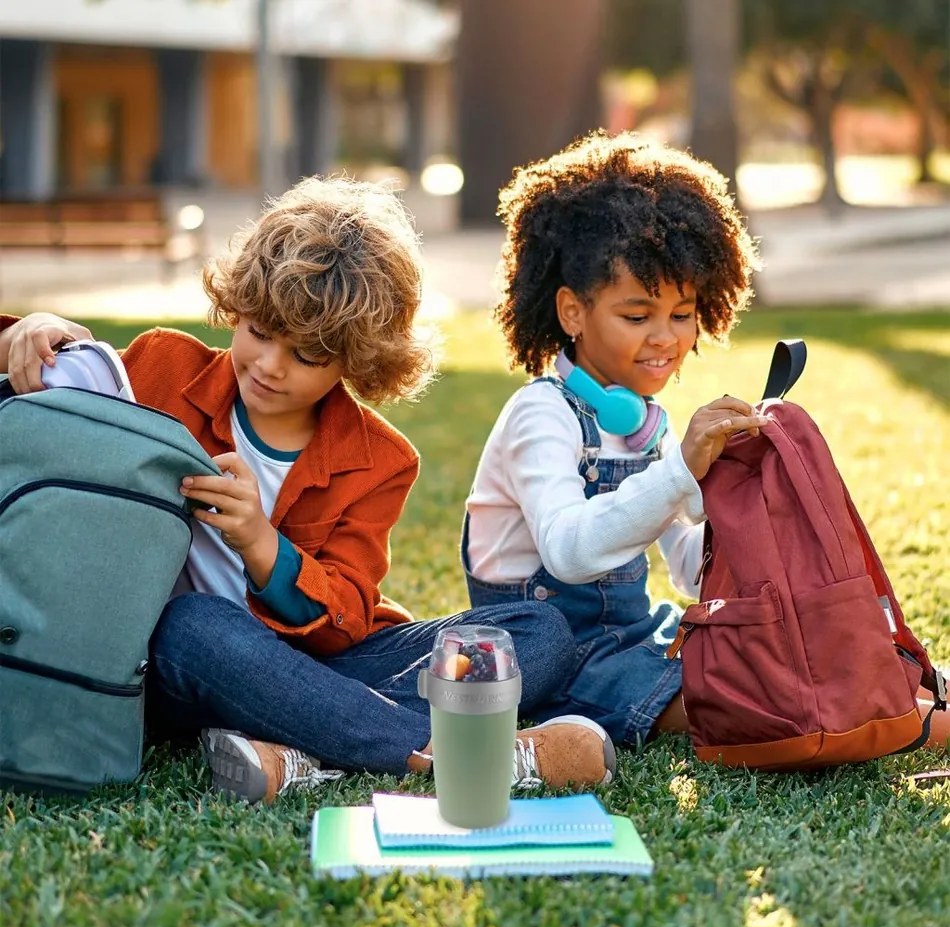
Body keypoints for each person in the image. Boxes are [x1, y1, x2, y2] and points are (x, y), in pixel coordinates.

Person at [0, 175, 615, 804]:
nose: (269, 365)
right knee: (196, 624)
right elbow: (64, 375)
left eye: (307, 355)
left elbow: (343, 620)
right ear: (237, 305)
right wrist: (28, 330)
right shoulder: (162, 367)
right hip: (174, 661)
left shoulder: (381, 460)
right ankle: (461, 755)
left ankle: (299, 752)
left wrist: (261, 545)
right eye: (260, 332)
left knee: (537, 630)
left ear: (357, 358)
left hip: (323, 666)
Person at [461, 130, 950, 751]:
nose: (665, 338)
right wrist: (679, 473)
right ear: (572, 312)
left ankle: (920, 691)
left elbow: (693, 573)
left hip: (638, 635)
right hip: (557, 662)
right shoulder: (542, 414)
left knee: (793, 658)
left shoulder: (645, 419)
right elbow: (570, 552)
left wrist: (742, 502)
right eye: (637, 316)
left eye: (683, 314)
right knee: (764, 698)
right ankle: (915, 722)